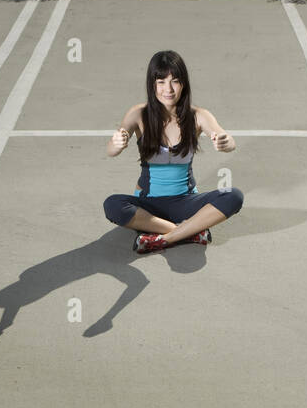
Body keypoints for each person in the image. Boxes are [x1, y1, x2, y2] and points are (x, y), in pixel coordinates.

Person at [103, 49, 244, 254]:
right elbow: (111, 149)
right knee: (113, 205)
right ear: (153, 85)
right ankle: (190, 231)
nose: (168, 89)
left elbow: (228, 141)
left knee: (234, 196)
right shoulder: (138, 114)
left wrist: (225, 142)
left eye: (175, 81)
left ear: (183, 83)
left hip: (186, 202)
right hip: (149, 205)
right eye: (161, 82)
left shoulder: (198, 116)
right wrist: (116, 144)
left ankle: (163, 238)